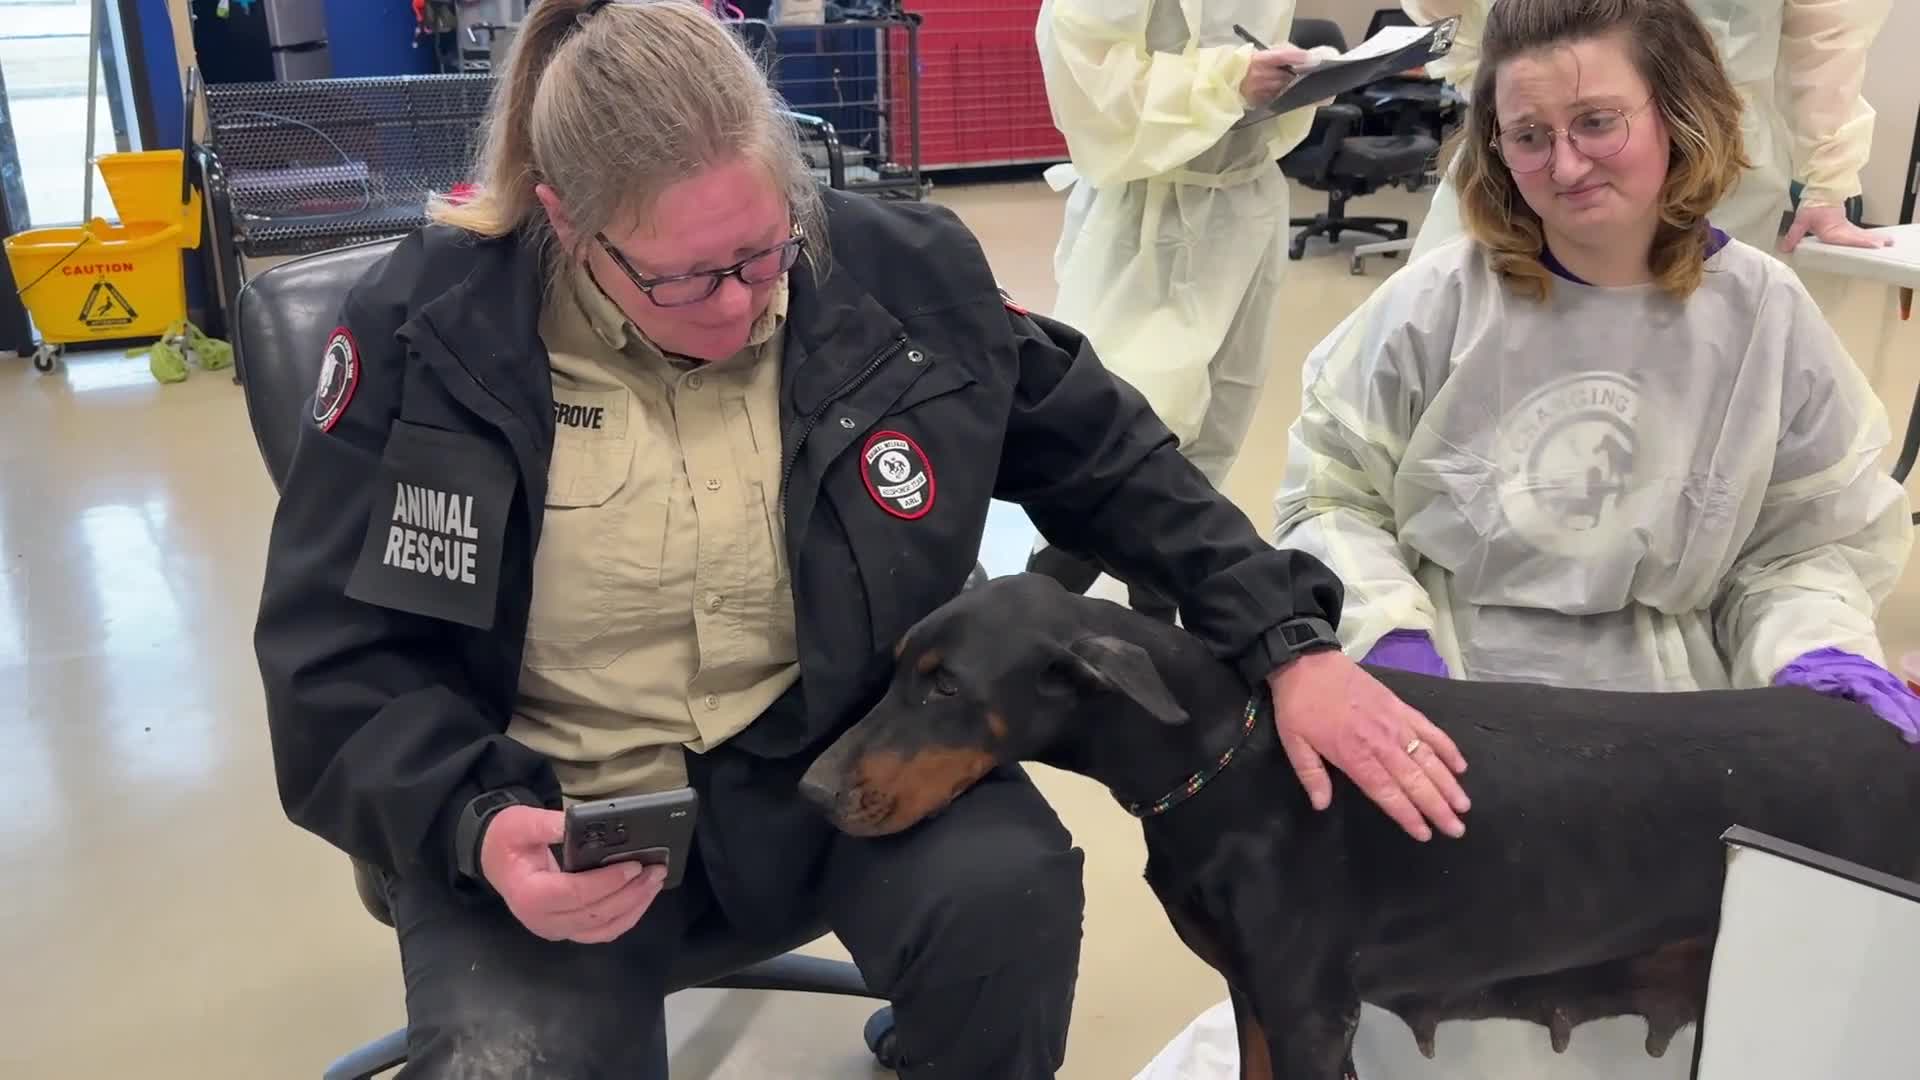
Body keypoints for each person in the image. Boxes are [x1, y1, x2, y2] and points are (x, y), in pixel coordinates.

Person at [251, 2, 1473, 1077]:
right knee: (522, 1061)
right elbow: (335, 665)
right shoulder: (429, 335)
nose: (742, 304)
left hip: (824, 751)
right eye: (685, 279)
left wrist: (1285, 637)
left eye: (762, 250)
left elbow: (1116, 463)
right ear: (568, 223)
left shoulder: (895, 274)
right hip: (552, 809)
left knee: (1011, 901)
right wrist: (474, 826)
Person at [1137, 0, 1916, 1076]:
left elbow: (1804, 543)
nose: (1564, 163)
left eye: (1599, 121)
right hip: (1457, 711)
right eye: (1529, 135)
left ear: (1678, 113)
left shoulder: (1764, 317)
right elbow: (1332, 504)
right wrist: (1390, 646)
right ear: (1494, 146)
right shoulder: (1433, 308)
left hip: (1672, 718)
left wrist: (1818, 652)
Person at [1023, 0, 1332, 620]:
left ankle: (1162, 647)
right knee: (1117, 443)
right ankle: (1017, 634)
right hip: (1150, 219)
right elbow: (1089, 80)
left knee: (1208, 443)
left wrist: (1295, 79)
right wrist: (1227, 79)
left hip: (1243, 210)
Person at [1401, 0, 1894, 262]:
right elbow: (1445, 11)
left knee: (1673, 379)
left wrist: (1826, 184)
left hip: (1709, 156)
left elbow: (1827, 41)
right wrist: (1502, 102)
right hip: (1531, 144)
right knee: (1464, 338)